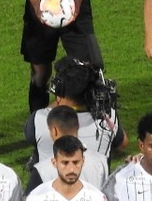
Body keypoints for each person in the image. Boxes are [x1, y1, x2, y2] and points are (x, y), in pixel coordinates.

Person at [24, 56, 125, 191]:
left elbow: (34, 132)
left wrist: (59, 101)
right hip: (94, 198)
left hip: (49, 197)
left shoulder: (39, 120)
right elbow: (122, 143)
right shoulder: (108, 117)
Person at [24, 106, 108, 194]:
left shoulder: (42, 169)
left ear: (54, 130)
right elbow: (107, 199)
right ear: (78, 127)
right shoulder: (101, 162)